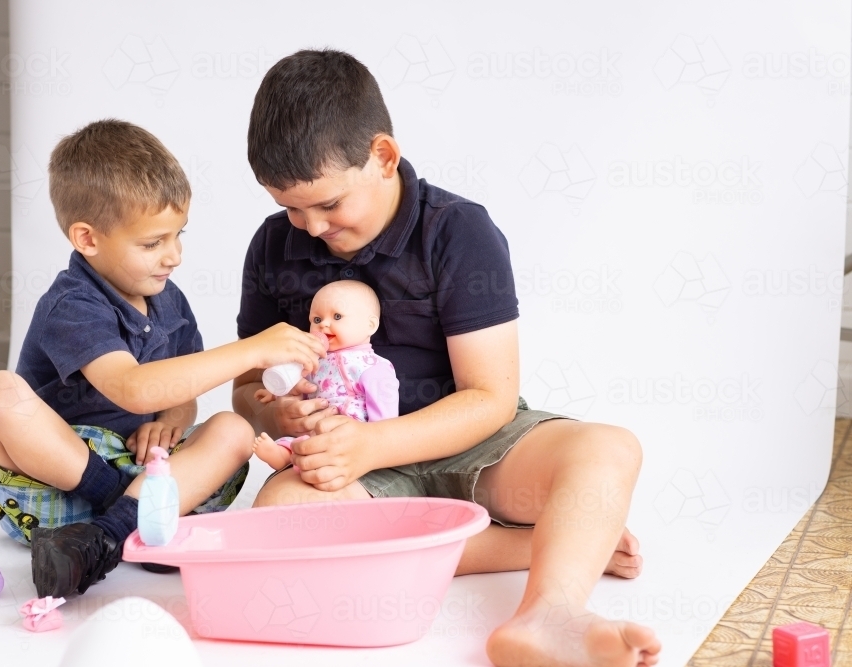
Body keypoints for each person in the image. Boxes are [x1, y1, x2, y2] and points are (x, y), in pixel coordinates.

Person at [233, 50, 661, 667]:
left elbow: (489, 397)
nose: (309, 225)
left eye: (328, 204)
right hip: (358, 471)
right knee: (279, 518)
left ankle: (551, 614)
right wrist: (280, 417)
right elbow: (248, 389)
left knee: (608, 448)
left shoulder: (457, 230)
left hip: (470, 439)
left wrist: (373, 444)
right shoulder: (276, 246)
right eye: (289, 206)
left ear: (383, 156)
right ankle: (536, 543)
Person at [0, 119, 325, 599]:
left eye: (179, 235)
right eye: (153, 242)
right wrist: (253, 348)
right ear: (88, 239)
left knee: (235, 430)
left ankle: (107, 536)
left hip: (148, 471)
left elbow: (181, 391)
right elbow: (130, 386)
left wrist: (175, 417)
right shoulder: (72, 303)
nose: (174, 255)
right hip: (57, 482)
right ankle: (133, 517)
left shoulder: (169, 301)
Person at [253, 279, 398, 470]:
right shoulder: (315, 358)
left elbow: (384, 410)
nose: (323, 325)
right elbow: (295, 380)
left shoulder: (371, 365)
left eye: (337, 316)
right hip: (314, 426)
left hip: (350, 431)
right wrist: (274, 392)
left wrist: (378, 441)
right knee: (296, 441)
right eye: (317, 320)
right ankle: (285, 455)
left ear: (370, 325)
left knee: (322, 447)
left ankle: (298, 461)